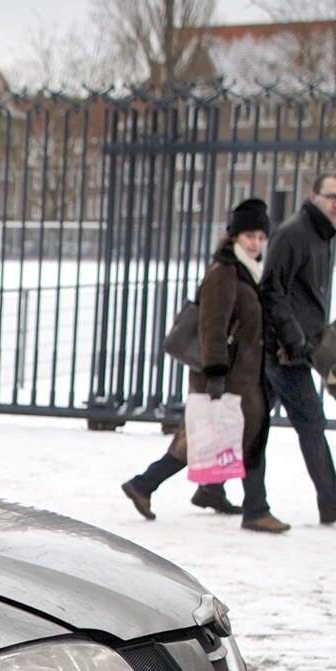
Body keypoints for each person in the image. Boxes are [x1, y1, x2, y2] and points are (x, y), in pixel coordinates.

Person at [122, 197, 274, 528]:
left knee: (207, 439)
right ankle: (257, 510)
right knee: (245, 437)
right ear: (234, 236)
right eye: (249, 236)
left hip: (241, 374)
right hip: (225, 374)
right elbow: (212, 326)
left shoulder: (250, 272)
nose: (256, 243)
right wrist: (216, 372)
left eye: (261, 237)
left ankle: (160, 486)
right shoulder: (225, 273)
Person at [254, 173, 336, 529]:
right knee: (311, 423)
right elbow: (272, 289)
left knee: (253, 425)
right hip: (285, 351)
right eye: (331, 196)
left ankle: (171, 483)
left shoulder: (321, 234)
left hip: (295, 346)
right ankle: (331, 501)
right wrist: (293, 340)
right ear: (313, 196)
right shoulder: (295, 234)